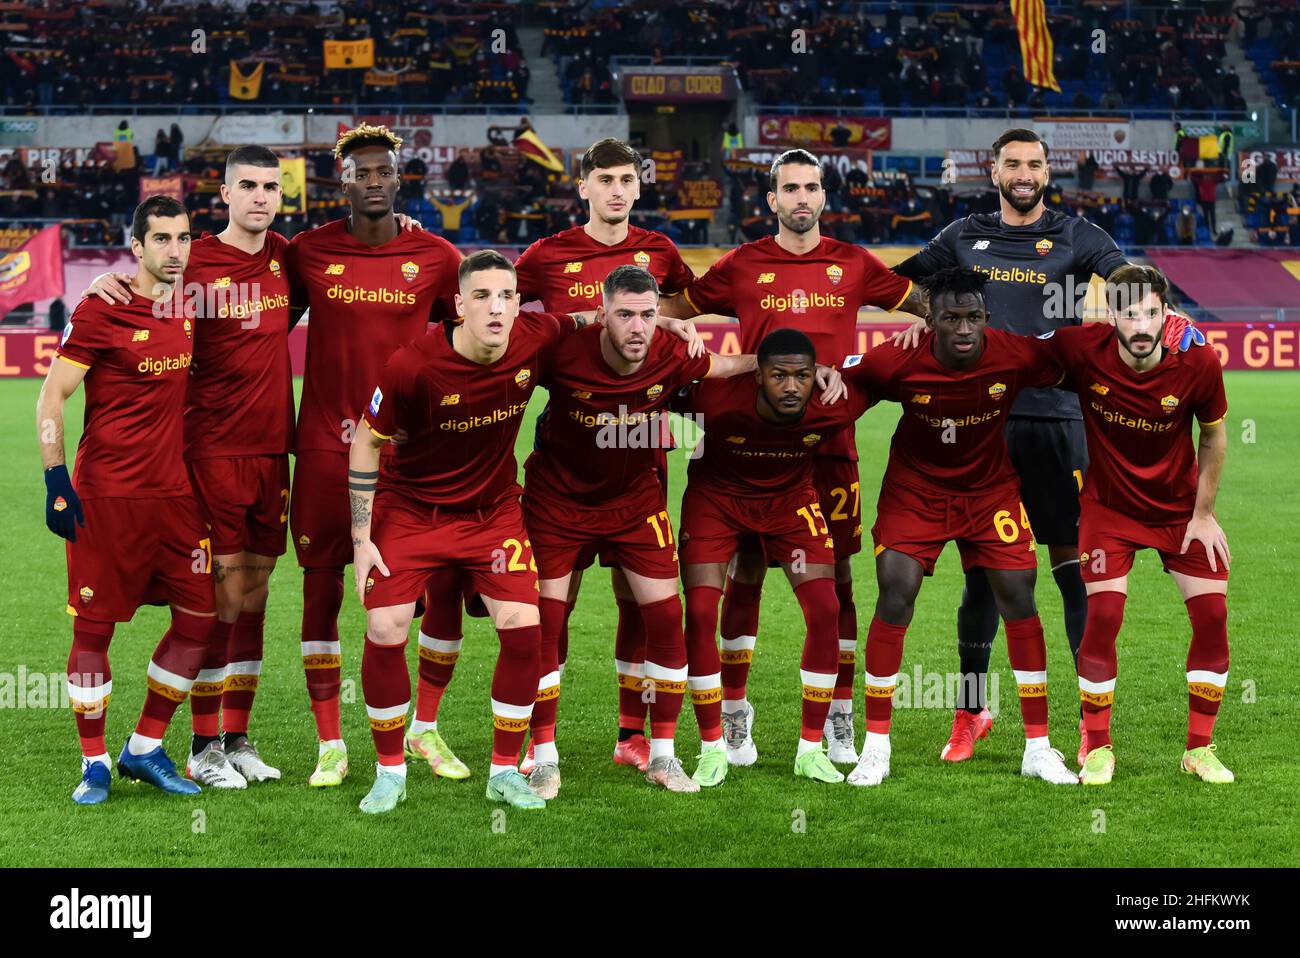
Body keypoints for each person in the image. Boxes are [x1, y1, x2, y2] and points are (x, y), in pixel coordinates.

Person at [660, 148, 925, 767]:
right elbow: (671, 310)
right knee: (744, 574)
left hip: (829, 446)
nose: (801, 198)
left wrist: (926, 325)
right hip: (751, 444)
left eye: (811, 187)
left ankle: (838, 715)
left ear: (823, 197)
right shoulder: (742, 264)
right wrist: (669, 327)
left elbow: (925, 304)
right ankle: (733, 713)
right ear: (772, 199)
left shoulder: (853, 263)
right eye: (790, 188)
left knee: (838, 583)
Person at [892, 128, 1130, 766]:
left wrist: (1136, 308)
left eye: (1034, 164)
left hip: (1060, 423)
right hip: (983, 425)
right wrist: (930, 315)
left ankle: (1090, 725)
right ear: (994, 172)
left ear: (1047, 173)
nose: (1024, 173)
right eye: (1013, 164)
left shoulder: (1076, 234)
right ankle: (971, 711)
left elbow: (1126, 277)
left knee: (1074, 574)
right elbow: (892, 283)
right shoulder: (962, 235)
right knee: (984, 580)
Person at [347, 250, 586, 813]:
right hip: (413, 511)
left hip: (492, 513)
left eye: (506, 296)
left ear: (519, 304)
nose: (496, 308)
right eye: (482, 296)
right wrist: (362, 540)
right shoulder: (411, 366)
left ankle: (503, 772)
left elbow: (586, 318)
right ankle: (389, 773)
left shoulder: (534, 337)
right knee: (385, 625)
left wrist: (671, 322)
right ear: (459, 305)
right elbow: (365, 440)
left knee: (524, 627)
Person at [521, 265, 766, 796]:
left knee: (667, 618)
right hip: (557, 503)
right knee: (545, 623)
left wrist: (789, 362)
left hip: (634, 504)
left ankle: (662, 755)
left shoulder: (672, 352)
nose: (637, 327)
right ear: (601, 314)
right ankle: (543, 756)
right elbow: (503, 360)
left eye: (648, 315)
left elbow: (725, 366)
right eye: (625, 315)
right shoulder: (562, 351)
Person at [839, 267, 1079, 788]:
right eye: (951, 318)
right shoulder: (896, 358)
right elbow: (846, 382)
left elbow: (1078, 360)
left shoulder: (1014, 354)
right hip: (915, 492)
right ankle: (875, 748)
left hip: (989, 491)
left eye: (973, 317)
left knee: (1019, 594)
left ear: (987, 317)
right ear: (931, 320)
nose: (964, 328)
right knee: (895, 592)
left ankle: (1038, 748)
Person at [507, 138, 700, 774]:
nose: (617, 190)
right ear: (583, 186)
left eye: (627, 180)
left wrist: (672, 322)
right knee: (553, 605)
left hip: (640, 448)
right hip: (569, 445)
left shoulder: (661, 251)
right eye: (605, 180)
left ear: (639, 186)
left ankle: (632, 734)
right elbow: (497, 304)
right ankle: (540, 745)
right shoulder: (547, 255)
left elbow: (684, 309)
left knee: (637, 596)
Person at [286, 124, 463, 788]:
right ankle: (330, 743)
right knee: (321, 588)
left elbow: (468, 341)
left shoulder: (437, 256)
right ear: (342, 183)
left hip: (407, 456)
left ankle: (423, 728)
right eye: (360, 173)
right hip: (324, 449)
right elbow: (260, 310)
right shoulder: (306, 251)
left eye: (383, 171)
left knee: (431, 590)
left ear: (399, 178)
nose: (373, 181)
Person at [38, 195, 217, 804]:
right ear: (136, 247)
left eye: (184, 238)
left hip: (174, 496)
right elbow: (52, 395)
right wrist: (55, 479)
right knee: (95, 630)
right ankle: (93, 762)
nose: (176, 250)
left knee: (198, 618)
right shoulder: (101, 307)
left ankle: (143, 747)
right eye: (161, 239)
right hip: (107, 496)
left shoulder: (190, 305)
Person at [1037, 265, 1233, 785]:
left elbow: (1214, 436)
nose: (1141, 325)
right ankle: (1098, 748)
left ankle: (1199, 749)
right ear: (1111, 316)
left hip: (1179, 510)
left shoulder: (1198, 359)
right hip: (1110, 510)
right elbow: (1013, 354)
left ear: (1166, 312)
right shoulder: (1081, 349)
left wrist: (1204, 514)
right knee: (1102, 617)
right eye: (1129, 314)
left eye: (1151, 313)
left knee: (1212, 616)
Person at [674, 328, 865, 786]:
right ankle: (713, 744)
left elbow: (894, 375)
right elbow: (657, 382)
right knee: (699, 610)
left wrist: (923, 324)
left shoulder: (835, 402)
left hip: (790, 504)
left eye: (802, 376)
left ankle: (810, 750)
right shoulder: (716, 399)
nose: (792, 386)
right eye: (779, 376)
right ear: (758, 376)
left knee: (826, 608)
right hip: (716, 500)